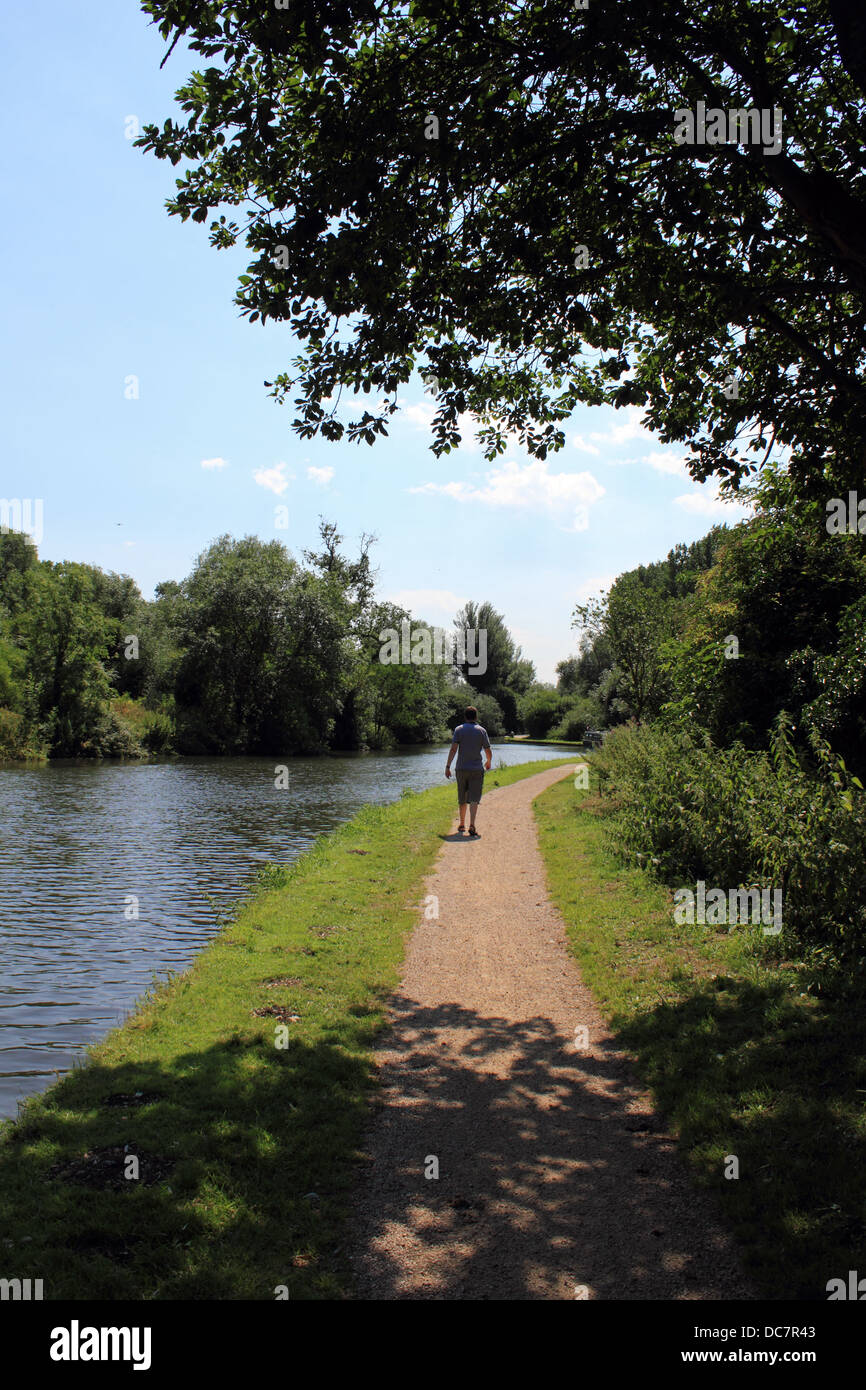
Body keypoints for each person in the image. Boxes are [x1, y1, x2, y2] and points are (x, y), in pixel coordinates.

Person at [445, 705, 492, 836]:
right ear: (476, 717)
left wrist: (448, 766)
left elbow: (453, 749)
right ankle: (472, 824)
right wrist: (488, 761)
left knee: (462, 797)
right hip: (477, 769)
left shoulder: (458, 730)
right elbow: (488, 749)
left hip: (461, 768)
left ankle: (461, 823)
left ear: (465, 717)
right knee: (474, 798)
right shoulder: (482, 731)